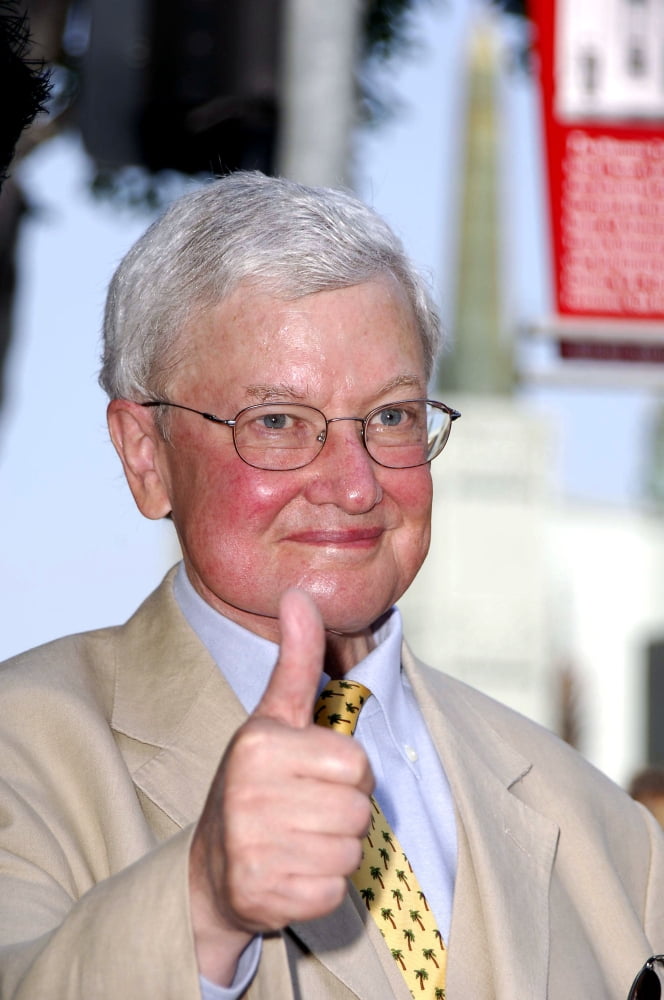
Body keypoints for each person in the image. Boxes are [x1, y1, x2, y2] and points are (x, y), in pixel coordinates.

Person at [0, 171, 662, 1000]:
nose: (355, 485)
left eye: (391, 417)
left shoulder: (606, 832)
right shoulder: (23, 752)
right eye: (277, 422)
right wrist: (201, 906)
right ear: (145, 454)